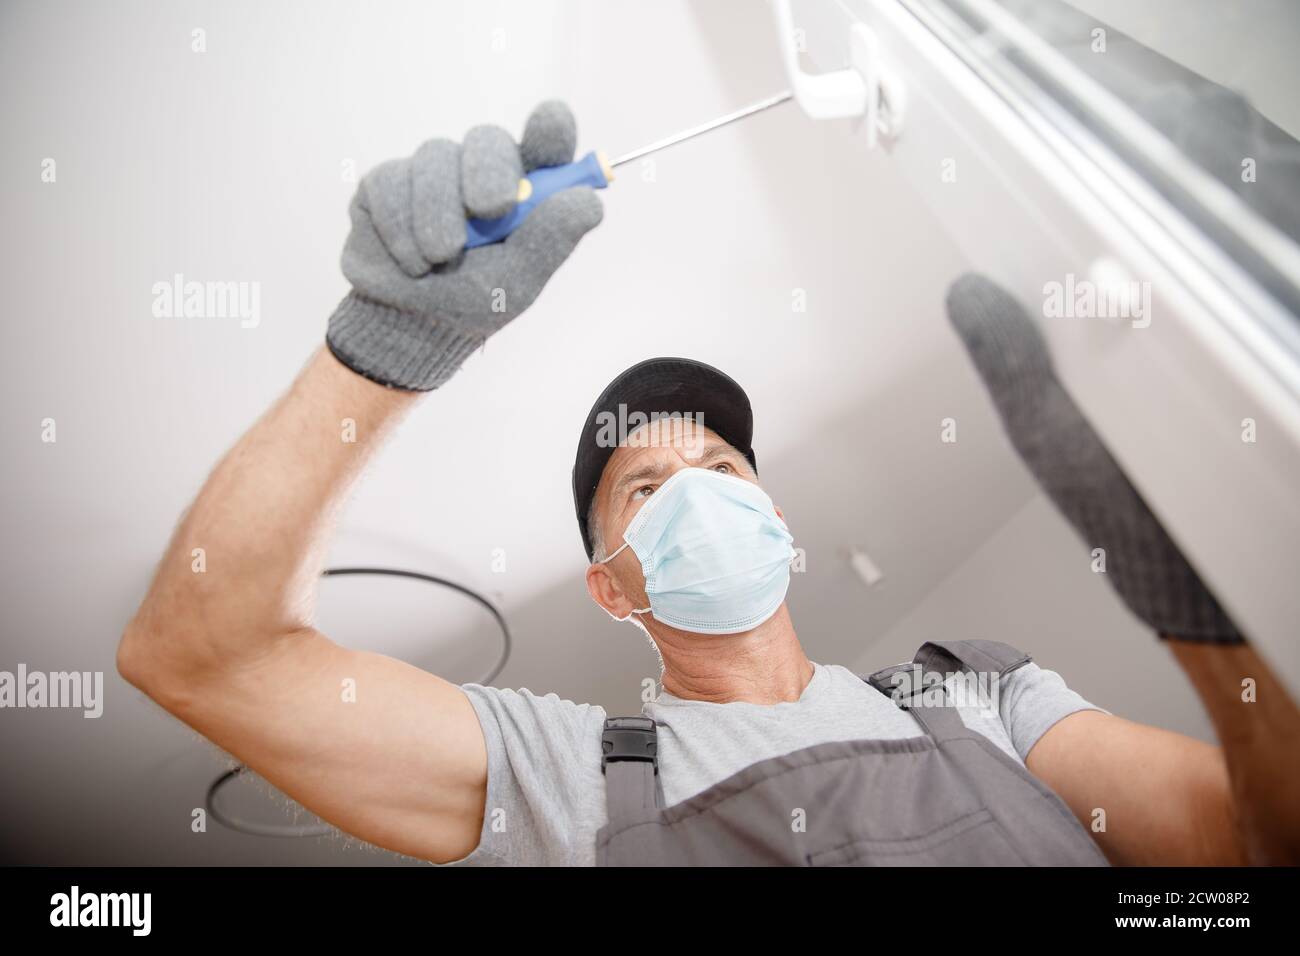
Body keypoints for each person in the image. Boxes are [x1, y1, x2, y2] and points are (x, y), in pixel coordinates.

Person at [117, 102, 1300, 866]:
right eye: (645, 489)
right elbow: (202, 656)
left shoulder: (982, 697)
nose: (697, 490)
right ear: (611, 586)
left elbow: (1252, 846)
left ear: (775, 525)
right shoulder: (566, 774)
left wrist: (1213, 625)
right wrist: (383, 350)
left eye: (721, 467)